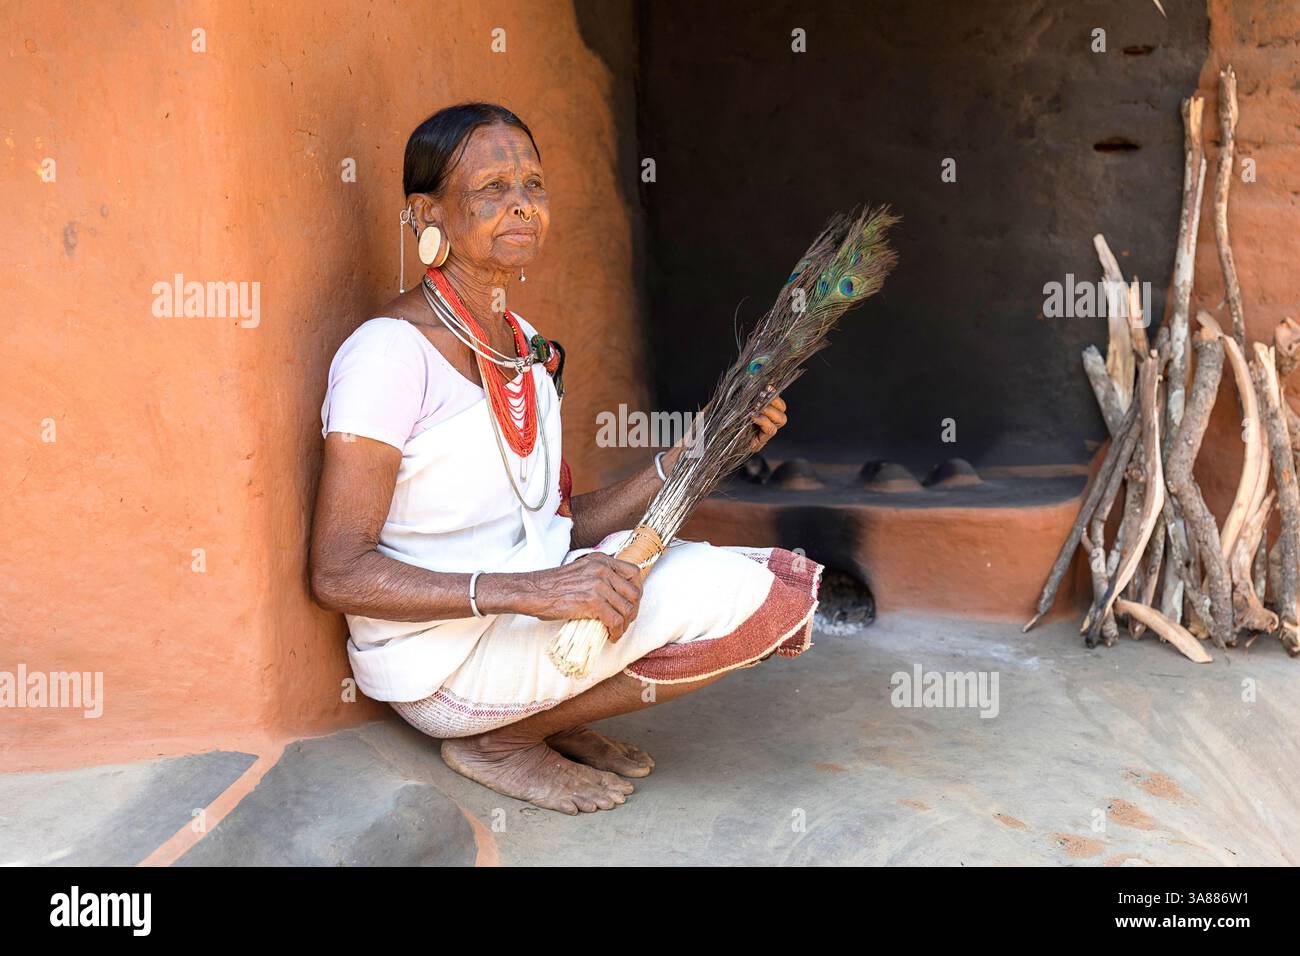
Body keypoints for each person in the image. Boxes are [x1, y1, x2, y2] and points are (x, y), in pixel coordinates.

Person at [310, 102, 823, 815]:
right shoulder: (388, 354)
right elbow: (338, 570)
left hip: (529, 621)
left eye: (533, 185)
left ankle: (551, 711)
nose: (521, 205)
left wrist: (694, 455)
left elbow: (558, 530)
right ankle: (498, 741)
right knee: (742, 600)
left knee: (732, 582)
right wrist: (531, 593)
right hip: (438, 661)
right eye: (493, 189)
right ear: (426, 213)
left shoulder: (526, 348)